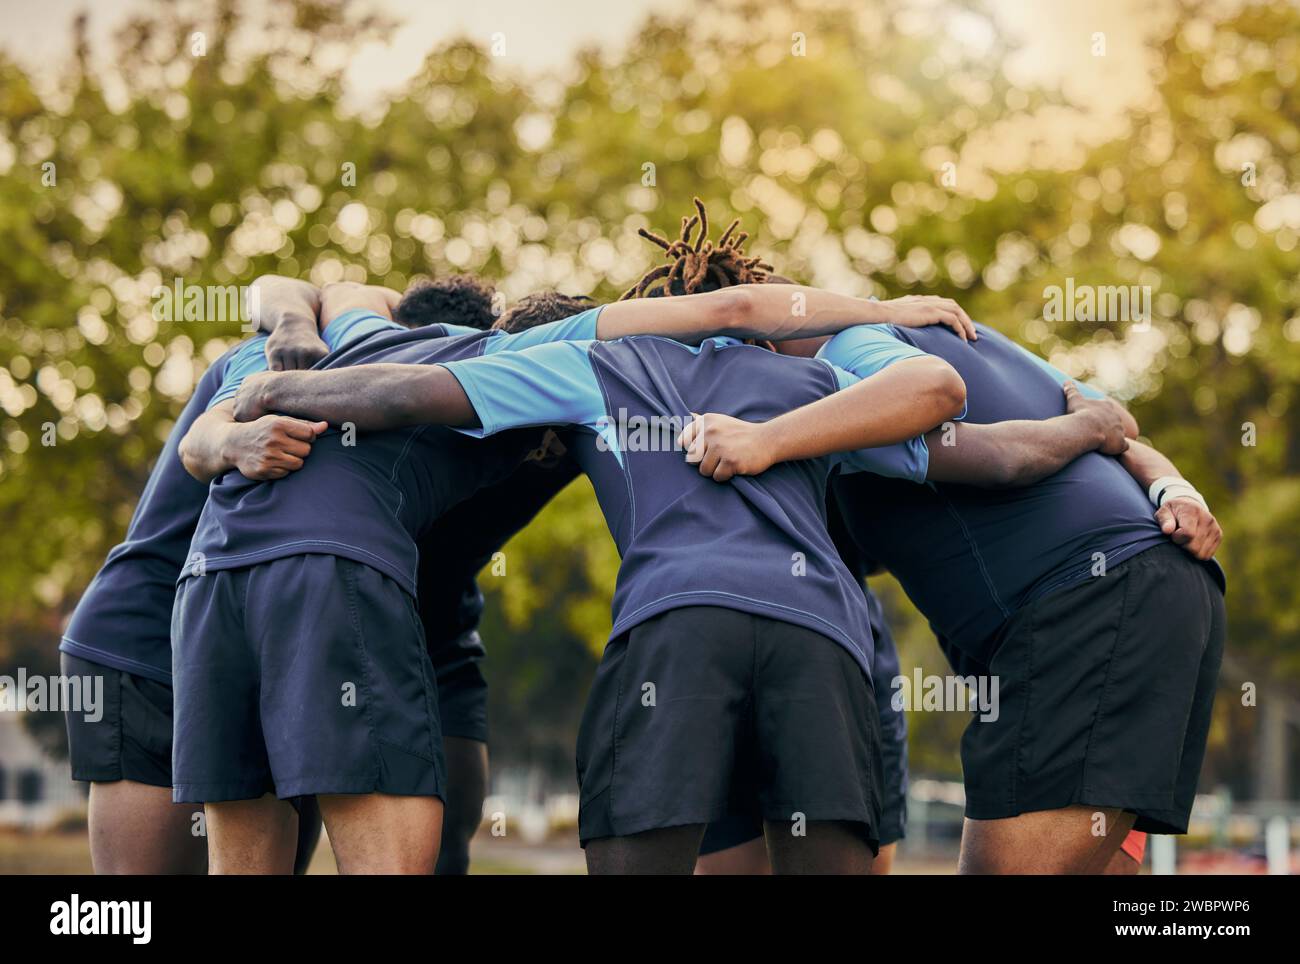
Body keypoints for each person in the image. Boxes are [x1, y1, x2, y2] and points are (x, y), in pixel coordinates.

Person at [182, 262, 968, 874]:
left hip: (213, 580)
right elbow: (948, 414)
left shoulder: (554, 358)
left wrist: (258, 397)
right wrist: (887, 315)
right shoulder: (806, 379)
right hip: (821, 634)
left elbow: (379, 353)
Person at [684, 313, 1226, 874]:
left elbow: (1034, 441)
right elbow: (1120, 427)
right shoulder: (971, 339)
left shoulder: (845, 368)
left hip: (1088, 607)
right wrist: (1175, 487)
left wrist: (763, 439)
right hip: (1162, 591)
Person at [58, 275, 333, 873]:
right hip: (144, 645)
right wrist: (291, 323)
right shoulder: (292, 350)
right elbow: (281, 286)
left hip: (250, 655)